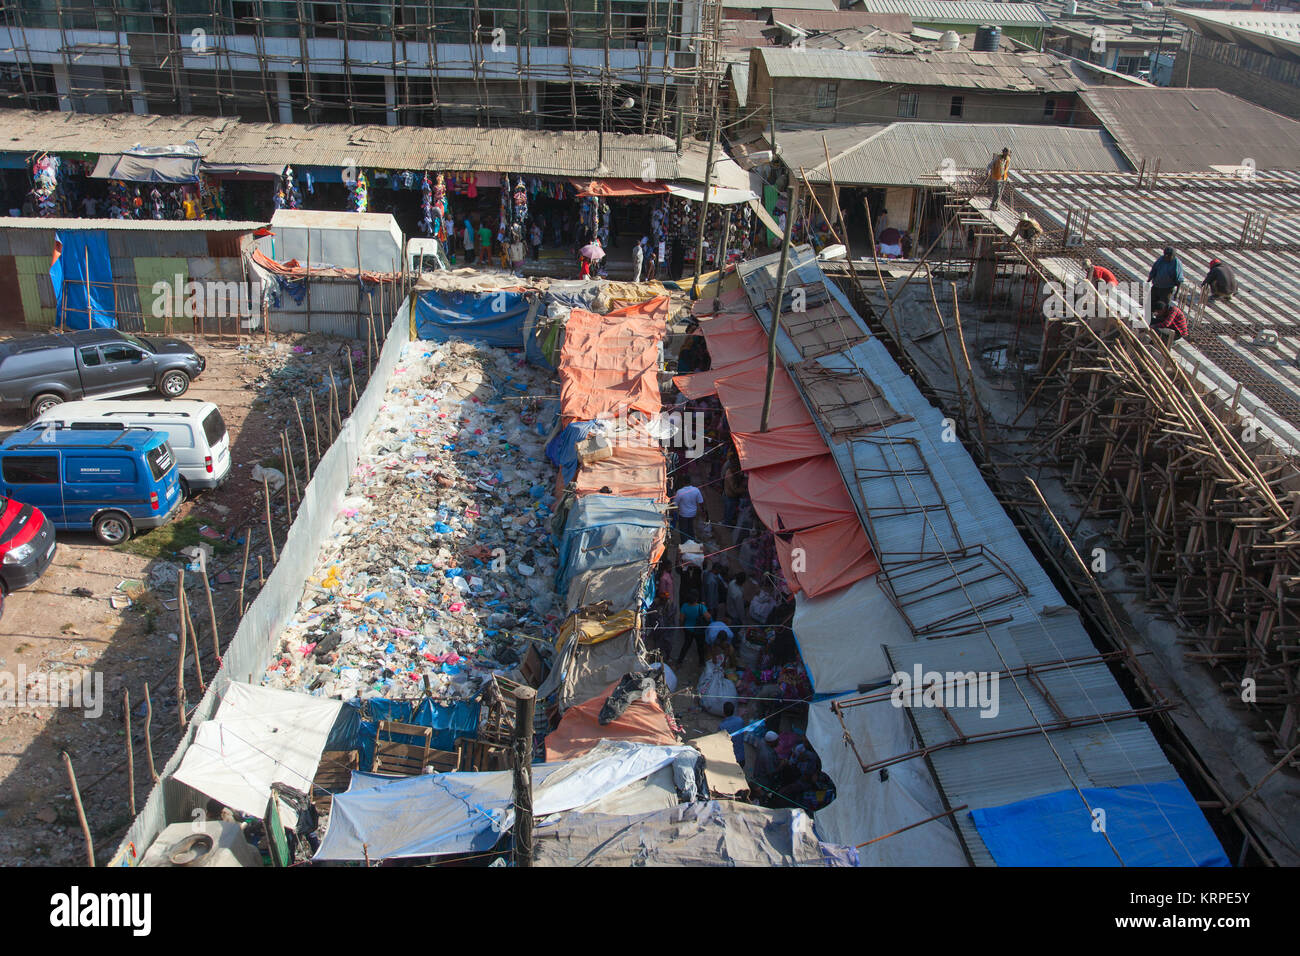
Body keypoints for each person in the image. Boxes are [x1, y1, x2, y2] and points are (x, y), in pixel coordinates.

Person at [675, 589, 711, 667]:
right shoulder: (701, 607)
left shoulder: (684, 606)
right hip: (699, 631)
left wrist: (682, 626)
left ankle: (679, 661)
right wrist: (704, 607)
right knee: (700, 647)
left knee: (686, 645)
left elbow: (681, 619)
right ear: (697, 598)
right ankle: (701, 662)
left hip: (688, 630)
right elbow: (708, 617)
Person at [1147, 246, 1184, 313]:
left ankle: (1162, 320)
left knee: (1163, 307)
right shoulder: (1161, 260)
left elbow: (1179, 280)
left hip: (1167, 289)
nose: (1166, 257)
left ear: (1173, 256)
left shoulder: (1176, 263)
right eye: (1165, 255)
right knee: (1151, 304)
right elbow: (1154, 269)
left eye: (1169, 256)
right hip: (1156, 286)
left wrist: (1177, 293)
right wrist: (1149, 278)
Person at [719, 702, 747, 766]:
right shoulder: (740, 721)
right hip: (741, 757)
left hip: (730, 759)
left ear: (724, 712)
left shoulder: (722, 726)